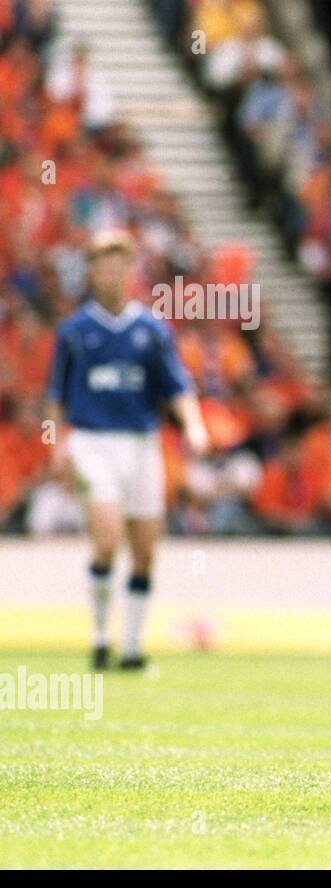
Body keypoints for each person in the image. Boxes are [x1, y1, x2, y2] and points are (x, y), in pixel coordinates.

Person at [44, 229, 209, 670]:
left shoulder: (152, 330)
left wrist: (193, 425)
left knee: (145, 551)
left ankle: (131, 648)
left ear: (130, 270)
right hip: (93, 440)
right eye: (103, 264)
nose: (112, 273)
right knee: (107, 537)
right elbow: (54, 395)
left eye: (119, 264)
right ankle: (101, 635)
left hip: (142, 443)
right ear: (92, 272)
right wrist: (55, 441)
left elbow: (177, 386)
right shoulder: (75, 330)